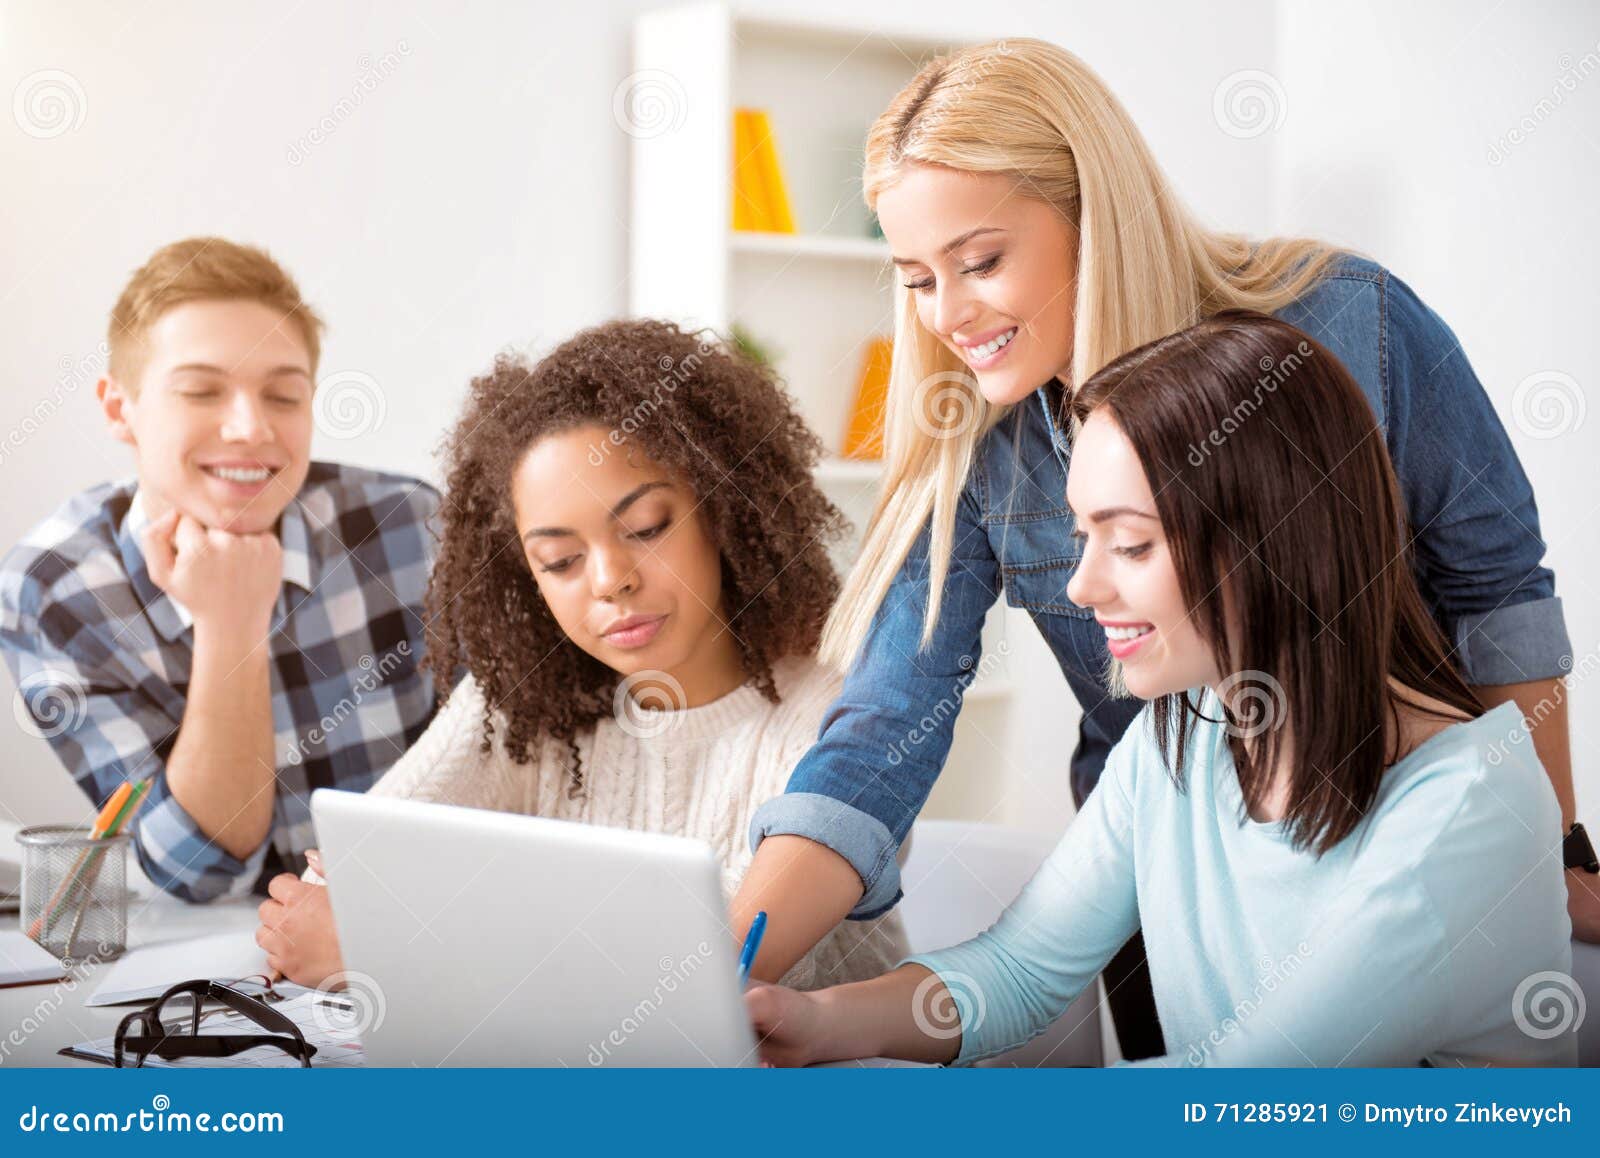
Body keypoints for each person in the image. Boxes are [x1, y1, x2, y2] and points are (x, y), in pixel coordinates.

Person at [730, 39, 1588, 1060]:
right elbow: (888, 727)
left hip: (1394, 816)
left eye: (981, 261)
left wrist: (1544, 840)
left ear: (1092, 215)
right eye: (915, 278)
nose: (947, 314)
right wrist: (743, 988)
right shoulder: (1169, 744)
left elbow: (1493, 592)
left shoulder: (1349, 328)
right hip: (1191, 857)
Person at [255, 320, 909, 991]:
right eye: (560, 560)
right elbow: (331, 893)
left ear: (724, 510)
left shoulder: (842, 717)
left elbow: (706, 983)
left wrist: (388, 955)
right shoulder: (521, 706)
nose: (609, 580)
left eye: (646, 528)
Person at [0, 238, 439, 902]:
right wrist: (231, 627)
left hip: (418, 922)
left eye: (284, 397)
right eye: (202, 391)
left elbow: (506, 783)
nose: (249, 428)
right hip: (217, 963)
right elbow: (196, 868)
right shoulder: (53, 589)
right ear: (121, 409)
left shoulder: (409, 527)